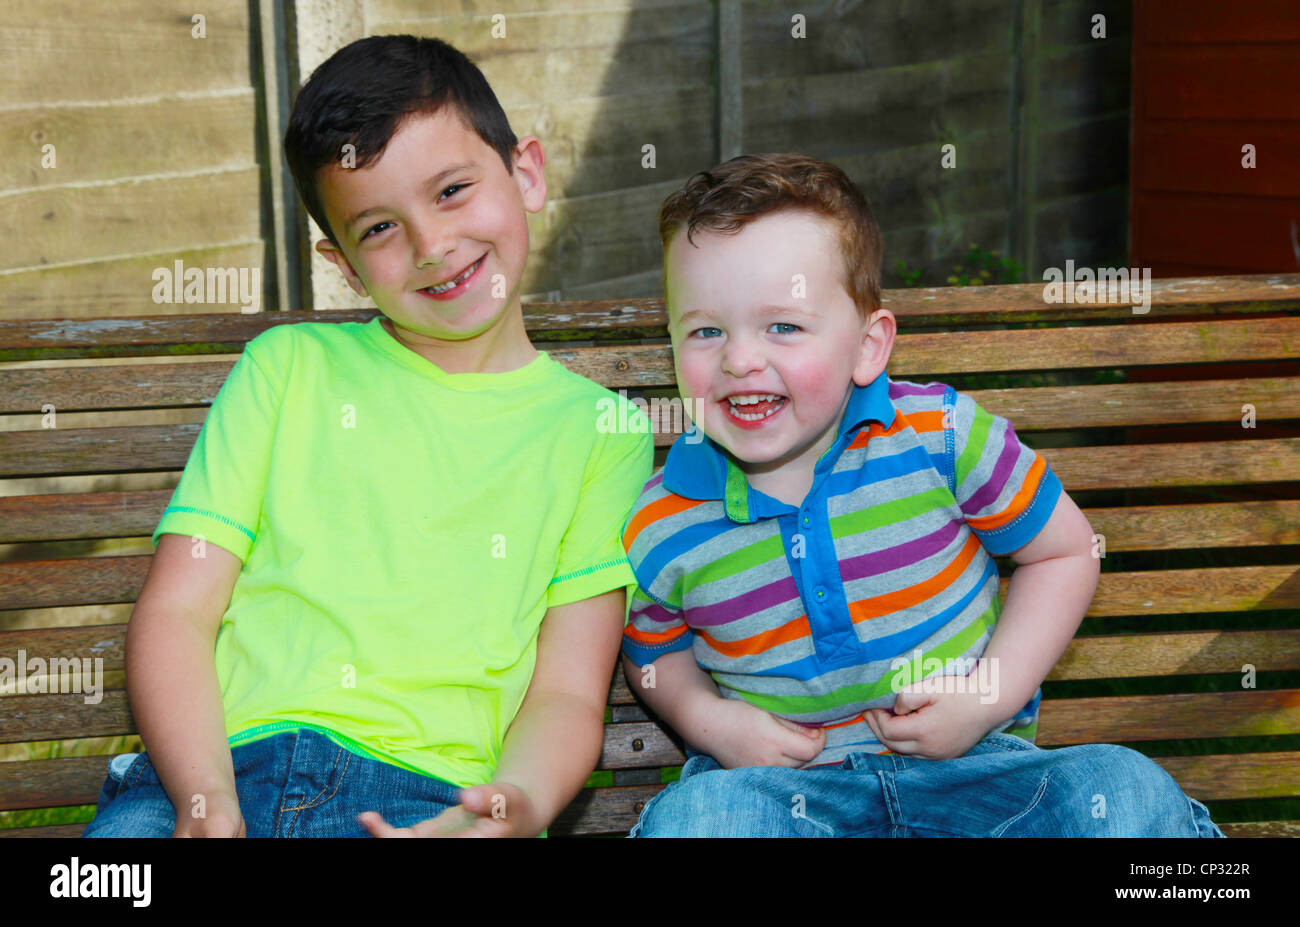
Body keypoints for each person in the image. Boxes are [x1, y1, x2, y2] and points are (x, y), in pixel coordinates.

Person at [83, 34, 652, 838]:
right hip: (208, 774)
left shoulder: (600, 432)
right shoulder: (286, 370)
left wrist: (515, 802)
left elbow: (565, 690)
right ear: (345, 266)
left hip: (427, 804)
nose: (432, 245)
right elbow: (179, 610)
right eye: (380, 228)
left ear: (525, 172)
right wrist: (203, 796)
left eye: (452, 189)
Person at [618, 153, 1224, 837]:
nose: (738, 359)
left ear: (869, 346)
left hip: (980, 775)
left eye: (782, 324)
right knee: (698, 820)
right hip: (789, 798)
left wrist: (986, 694)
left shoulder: (937, 437)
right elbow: (653, 652)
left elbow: (1064, 552)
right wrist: (715, 723)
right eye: (705, 330)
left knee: (1124, 789)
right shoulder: (664, 515)